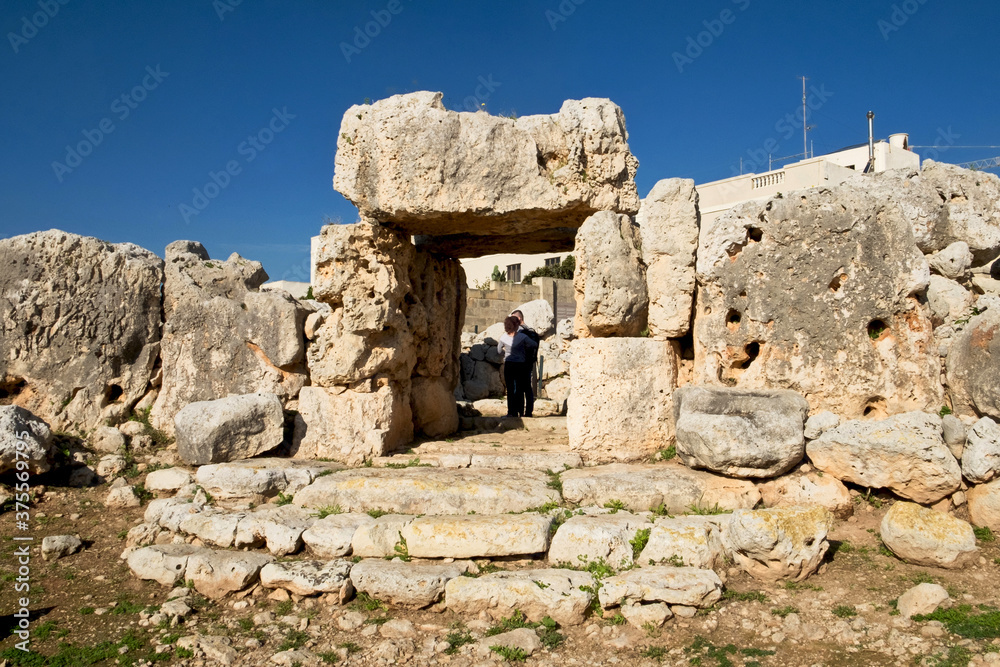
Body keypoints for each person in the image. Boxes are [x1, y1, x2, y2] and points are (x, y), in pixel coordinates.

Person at [497, 315, 538, 418]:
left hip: (509, 364)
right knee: (519, 388)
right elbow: (534, 345)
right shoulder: (523, 337)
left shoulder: (503, 337)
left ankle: (511, 412)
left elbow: (498, 350)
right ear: (516, 326)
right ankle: (521, 411)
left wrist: (505, 355)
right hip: (521, 364)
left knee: (510, 389)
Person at [510, 309, 539, 417]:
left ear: (518, 319)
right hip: (529, 363)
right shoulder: (532, 332)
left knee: (517, 387)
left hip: (519, 363)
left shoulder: (519, 333)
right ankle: (528, 412)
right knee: (527, 387)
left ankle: (519, 411)